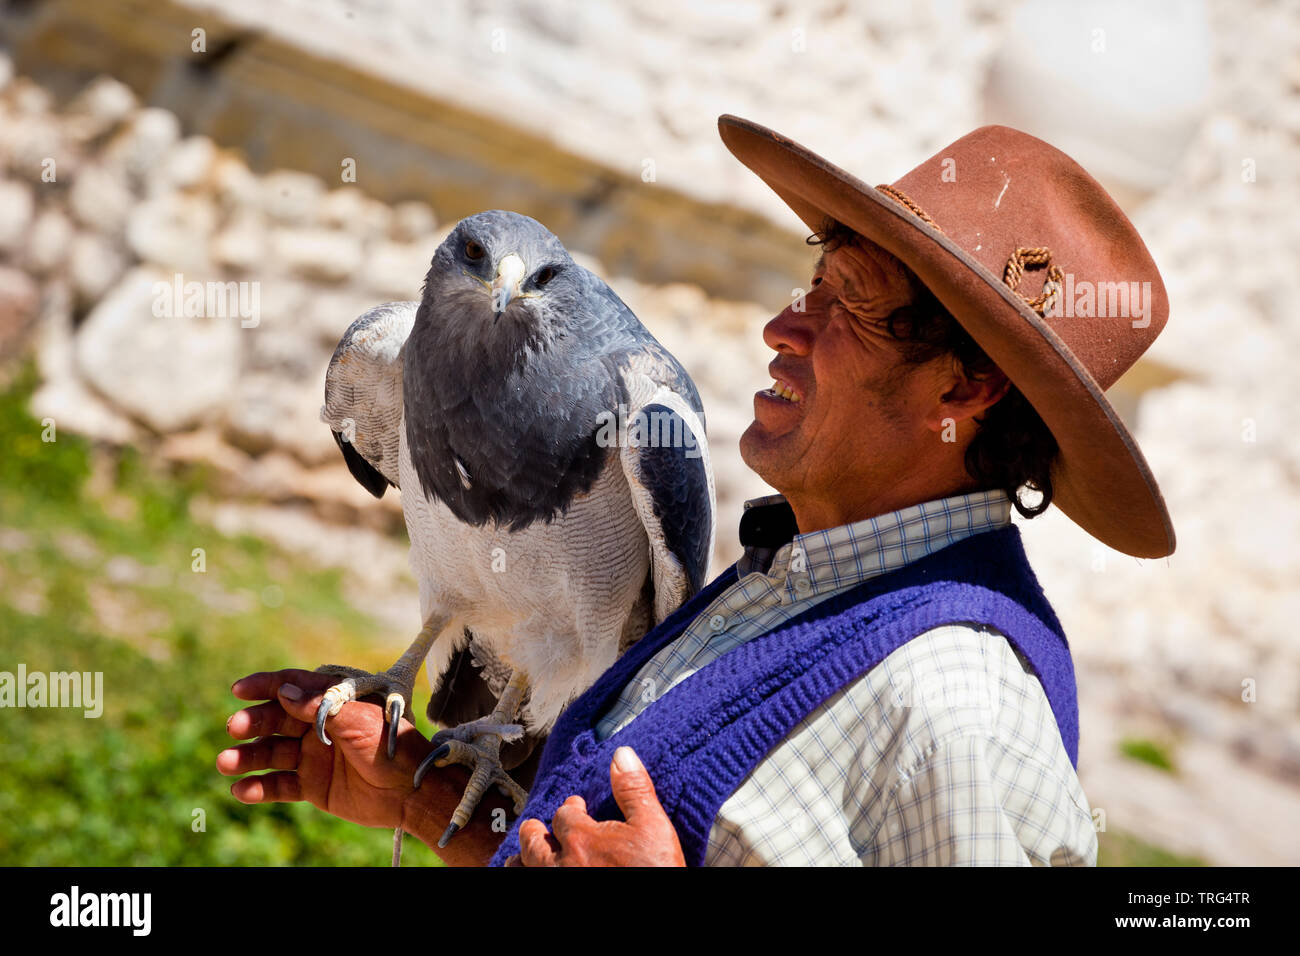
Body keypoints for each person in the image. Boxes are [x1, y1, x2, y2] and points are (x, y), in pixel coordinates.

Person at [219, 116, 1174, 866]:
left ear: (962, 390)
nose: (781, 328)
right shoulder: (787, 588)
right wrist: (419, 804)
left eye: (847, 307)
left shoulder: (955, 706)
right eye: (809, 285)